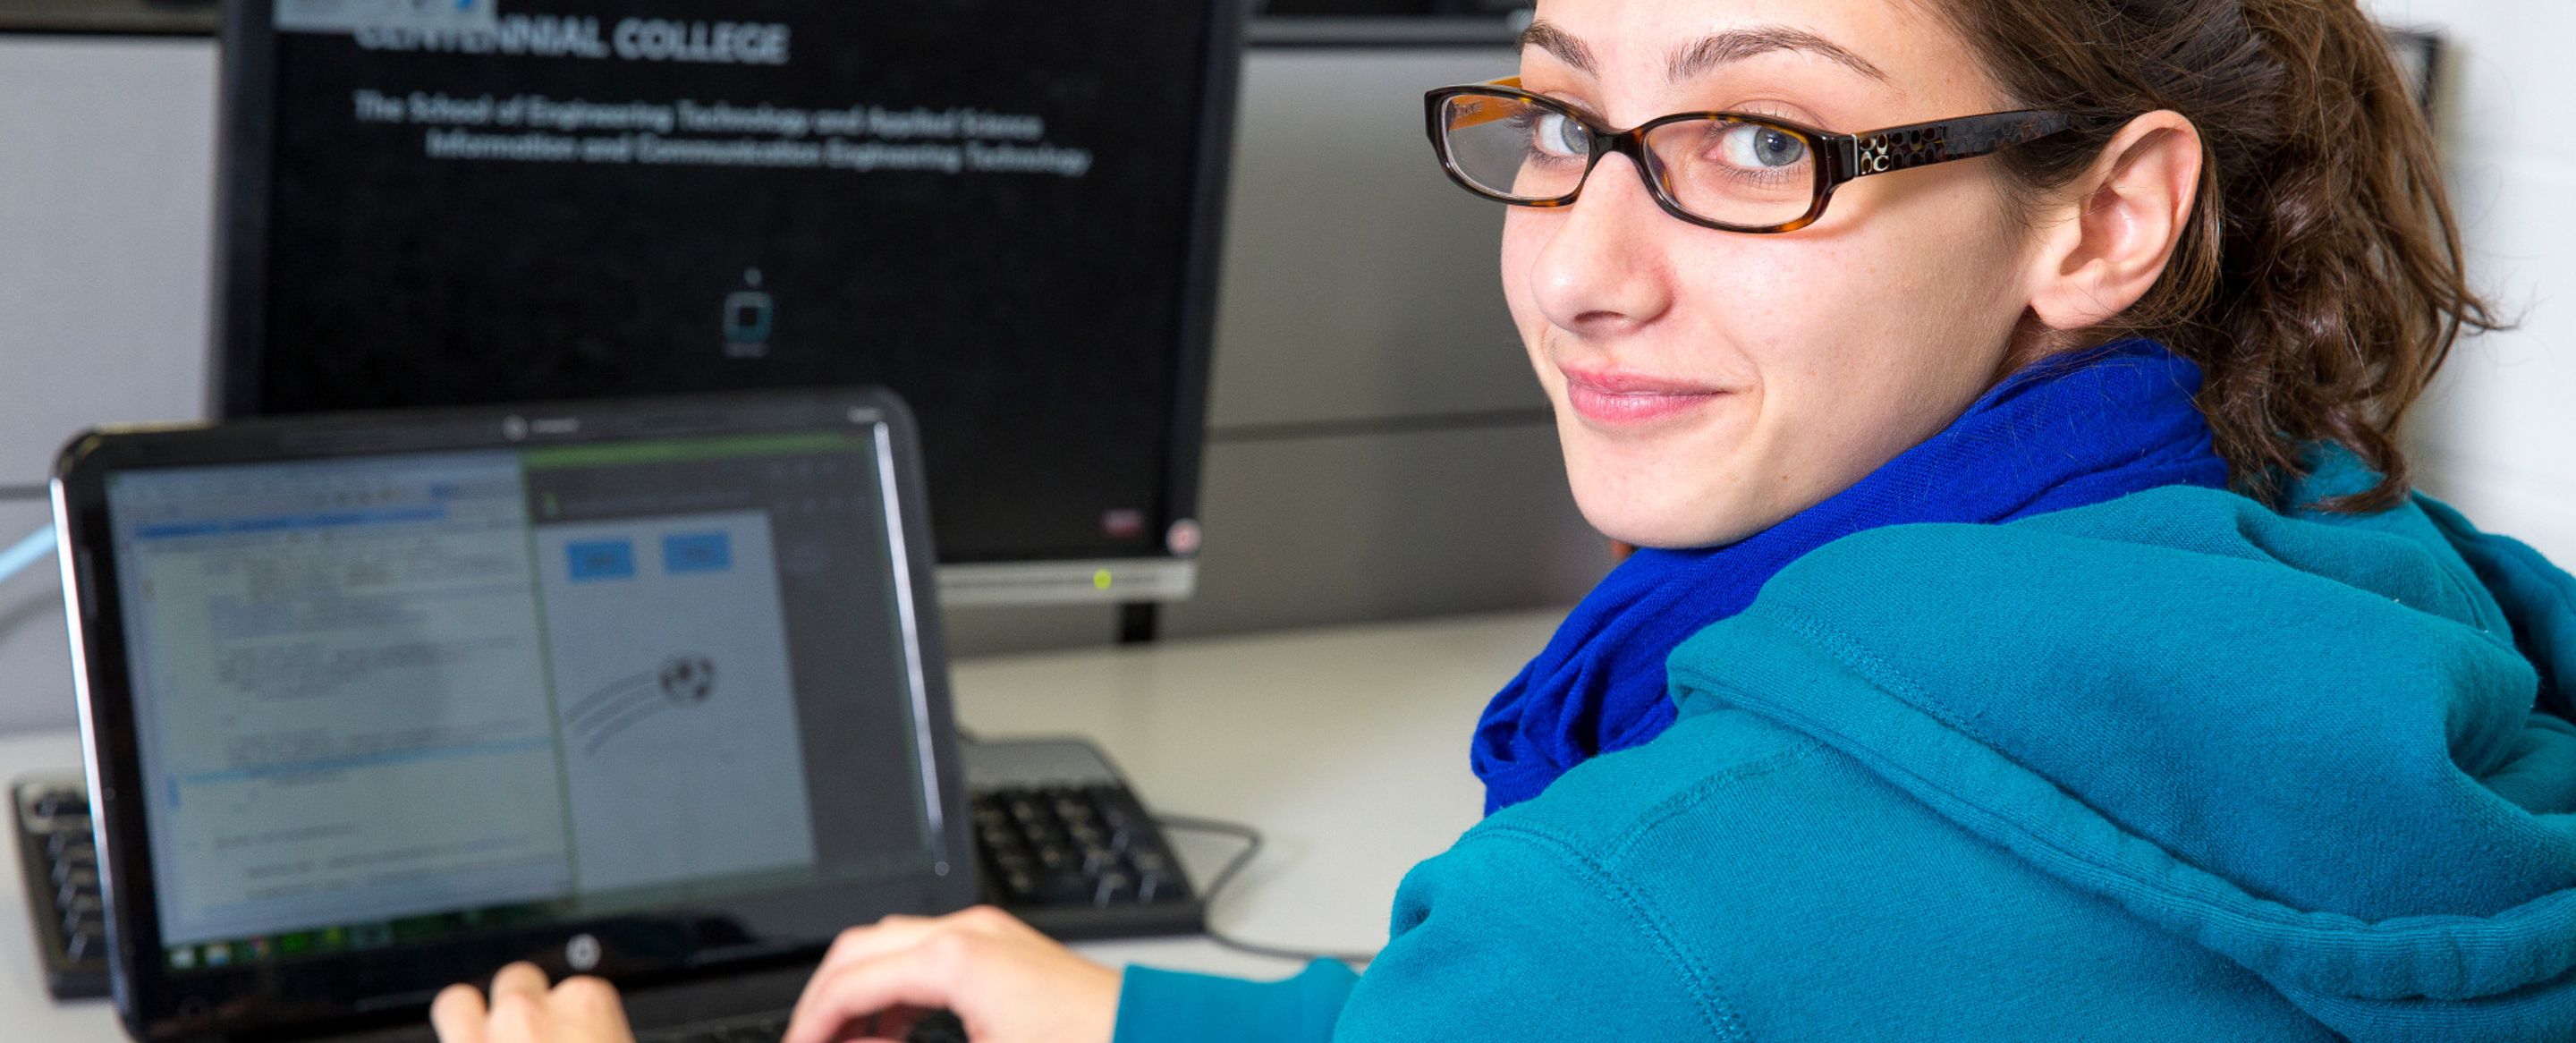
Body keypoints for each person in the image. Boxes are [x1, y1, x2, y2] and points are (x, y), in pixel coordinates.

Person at [429, 0, 2576, 1039]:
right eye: (1561, 120)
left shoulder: (1660, 898)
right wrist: (1131, 1018)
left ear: (2104, 218)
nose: (1575, 271)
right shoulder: (2394, 585)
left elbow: (1655, 964)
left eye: (1758, 141)